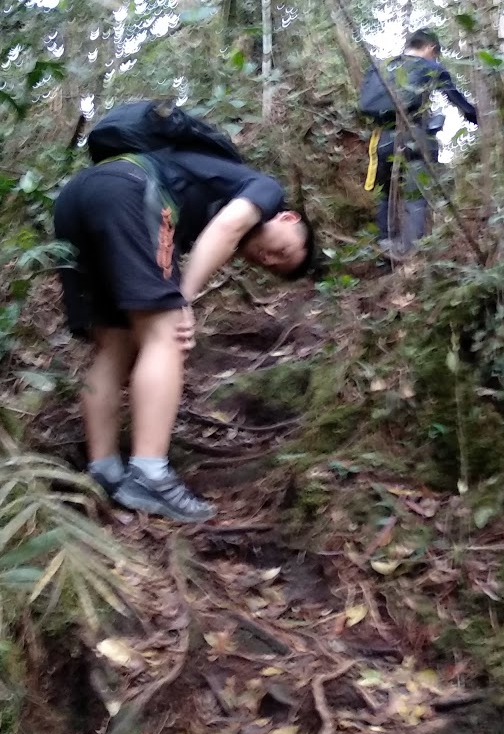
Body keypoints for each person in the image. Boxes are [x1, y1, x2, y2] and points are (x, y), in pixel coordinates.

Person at [54, 113, 315, 522]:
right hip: (130, 189)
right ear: (288, 218)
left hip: (77, 197)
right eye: (281, 251)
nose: (267, 258)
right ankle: (149, 475)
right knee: (166, 331)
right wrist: (181, 298)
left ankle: (104, 471)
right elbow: (229, 228)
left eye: (271, 267)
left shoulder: (205, 188)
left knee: (114, 345)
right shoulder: (265, 189)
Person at [359, 30, 477, 254]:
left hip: (381, 141)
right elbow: (460, 104)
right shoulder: (430, 67)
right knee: (416, 197)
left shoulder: (381, 66)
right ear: (431, 48)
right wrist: (480, 117)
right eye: (436, 55)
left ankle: (385, 248)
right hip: (412, 138)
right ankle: (409, 256)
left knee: (386, 193)